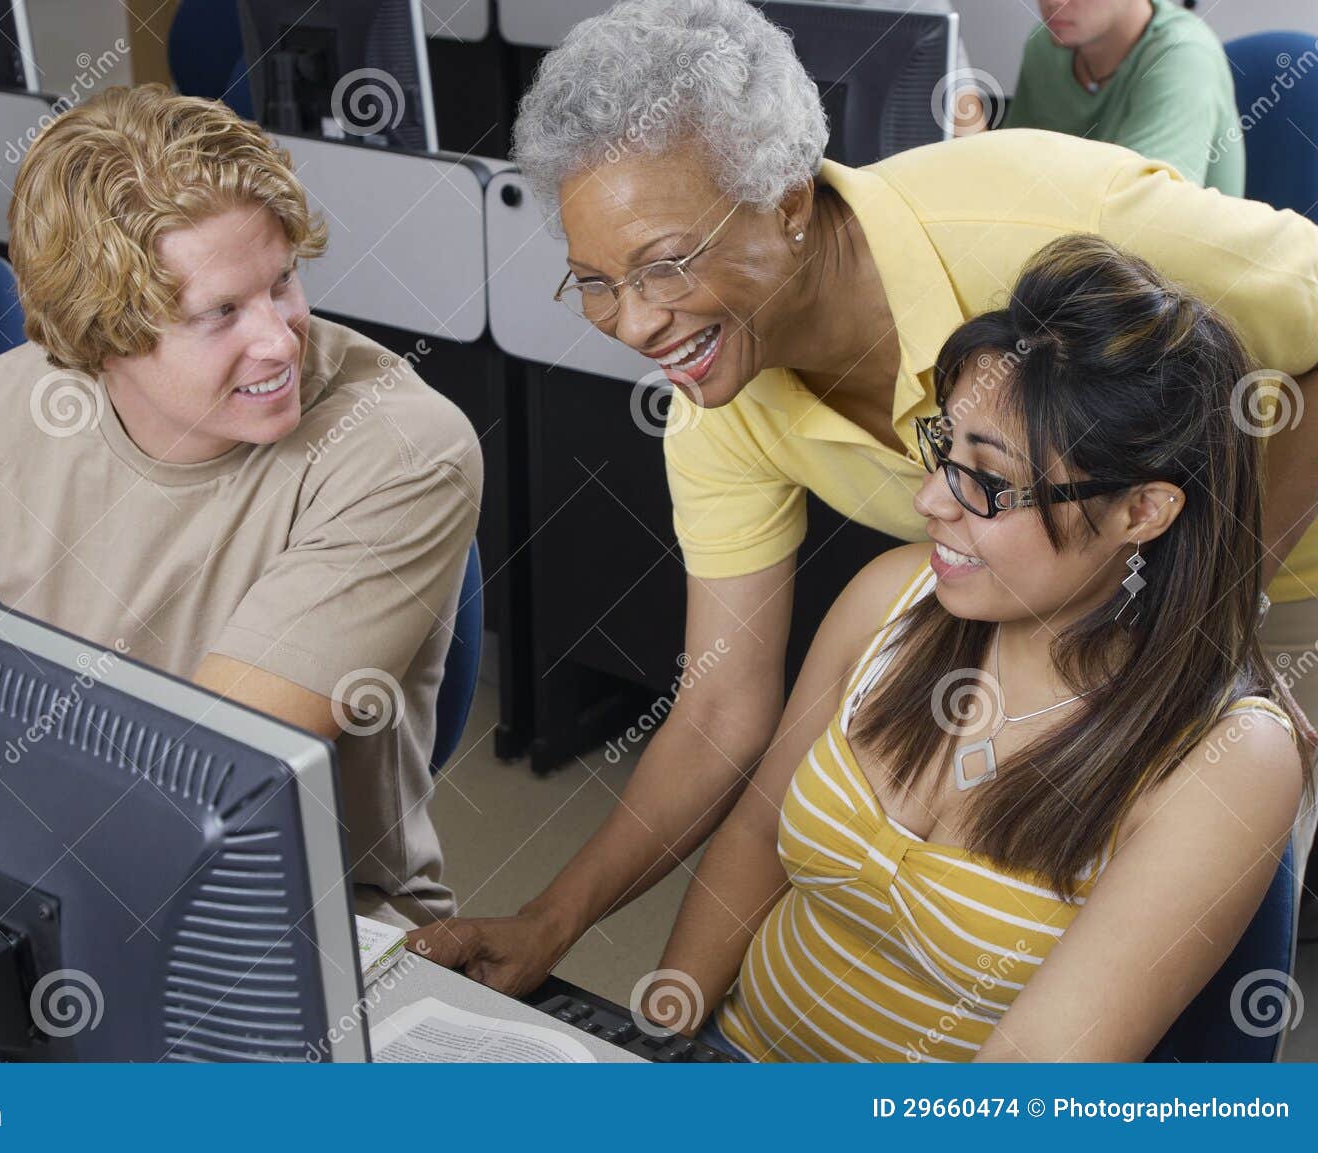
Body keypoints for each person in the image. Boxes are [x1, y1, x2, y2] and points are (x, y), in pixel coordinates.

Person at [408, 0, 1318, 995]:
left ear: (789, 204)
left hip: (1273, 559)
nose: (629, 322)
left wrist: (1208, 620)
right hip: (1057, 592)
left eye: (664, 264)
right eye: (593, 281)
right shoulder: (722, 401)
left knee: (1169, 914)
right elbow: (720, 702)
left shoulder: (1046, 216)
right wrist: (552, 921)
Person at [0, 85, 482, 929]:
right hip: (34, 866)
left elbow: (199, 775)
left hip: (301, 922)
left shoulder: (401, 450)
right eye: (220, 312)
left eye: (284, 281)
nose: (279, 338)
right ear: (103, 335)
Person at [649, 235, 1307, 1061]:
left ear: (1143, 510)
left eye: (988, 482)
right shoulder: (891, 595)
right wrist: (658, 1050)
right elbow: (754, 837)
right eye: (942, 447)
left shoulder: (1231, 759)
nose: (930, 500)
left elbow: (1029, 1081)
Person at [1001, 0, 1242, 195]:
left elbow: (1140, 213)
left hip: (1157, 252)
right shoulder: (1045, 44)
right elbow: (1013, 175)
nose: (1053, 3)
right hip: (1070, 246)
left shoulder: (1185, 58)